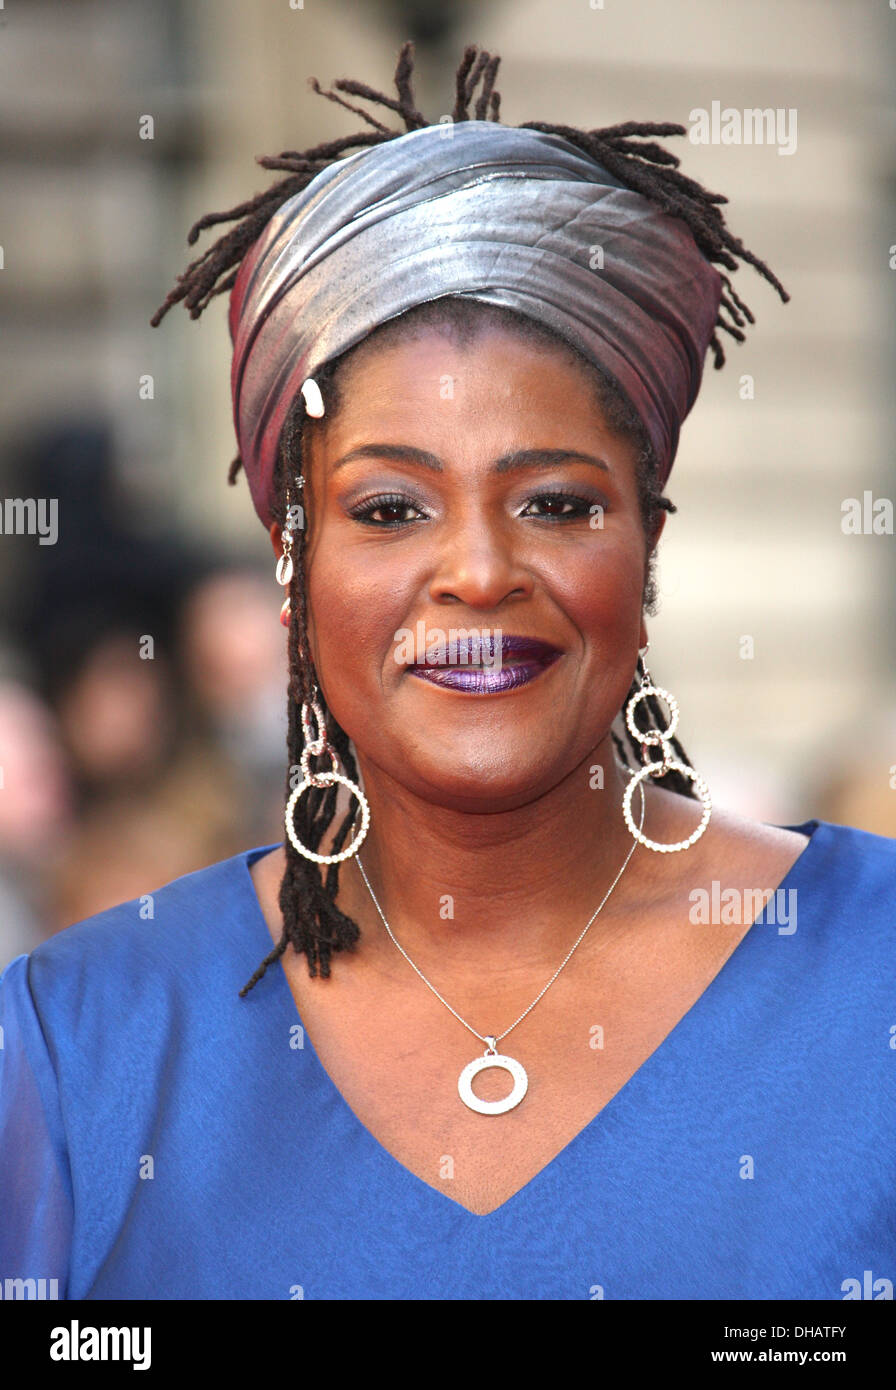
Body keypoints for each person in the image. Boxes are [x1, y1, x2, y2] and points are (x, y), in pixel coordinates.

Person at [1, 44, 893, 1302]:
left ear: (645, 545)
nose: (477, 570)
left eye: (553, 501)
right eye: (388, 508)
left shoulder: (871, 975)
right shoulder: (76, 1044)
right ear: (290, 559)